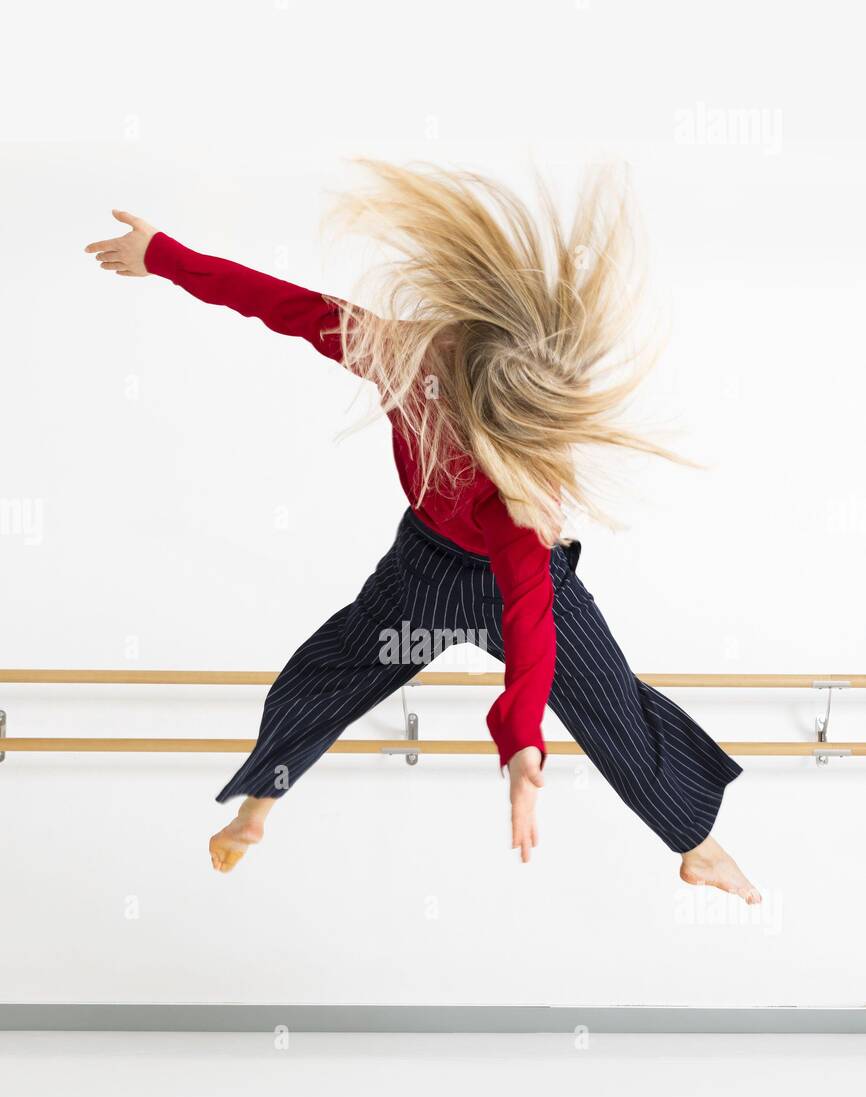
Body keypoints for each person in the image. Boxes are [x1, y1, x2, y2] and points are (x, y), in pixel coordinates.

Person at [85, 161, 759, 903]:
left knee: (332, 672)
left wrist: (163, 257)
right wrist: (522, 749)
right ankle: (698, 846)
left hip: (421, 578)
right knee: (616, 717)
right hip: (453, 573)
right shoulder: (510, 491)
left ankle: (257, 808)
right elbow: (529, 622)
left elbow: (281, 305)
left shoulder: (403, 356)